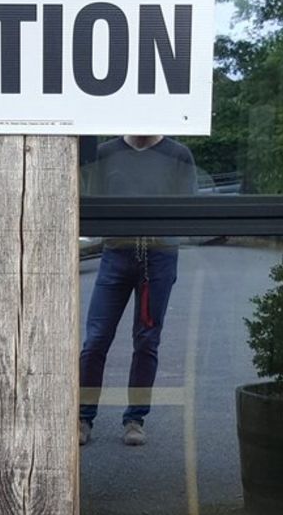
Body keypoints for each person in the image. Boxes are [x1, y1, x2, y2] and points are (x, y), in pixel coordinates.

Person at [79, 134, 197, 446]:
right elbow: (93, 202)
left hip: (159, 256)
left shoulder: (178, 155)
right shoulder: (105, 153)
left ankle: (135, 419)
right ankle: (82, 417)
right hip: (115, 254)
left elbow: (188, 207)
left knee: (147, 340)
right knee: (95, 339)